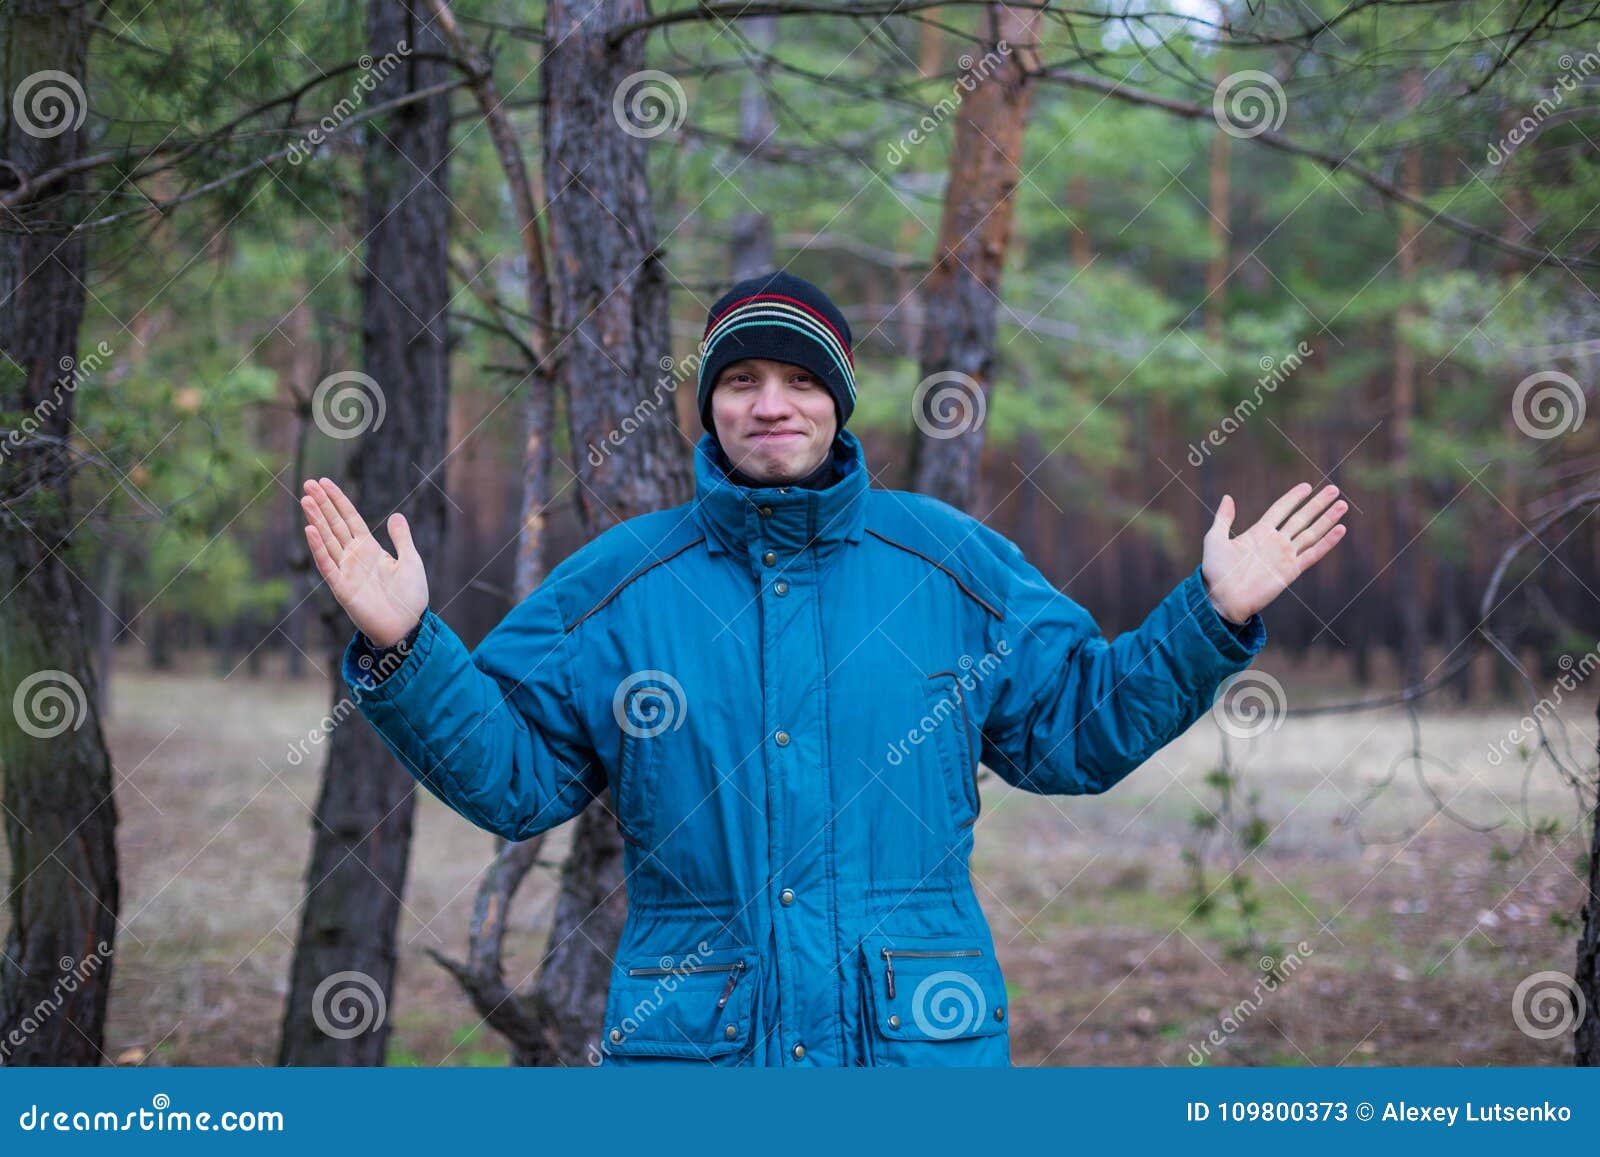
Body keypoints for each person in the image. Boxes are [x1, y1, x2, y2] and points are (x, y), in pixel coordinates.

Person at [299, 269, 1347, 1068]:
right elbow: (512, 783)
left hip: (914, 1045)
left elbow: (1078, 728)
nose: (770, 403)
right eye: (742, 379)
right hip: (697, 1054)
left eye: (800, 379)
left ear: (837, 402)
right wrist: (407, 646)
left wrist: (1209, 614)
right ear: (707, 404)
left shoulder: (946, 565)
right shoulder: (620, 586)